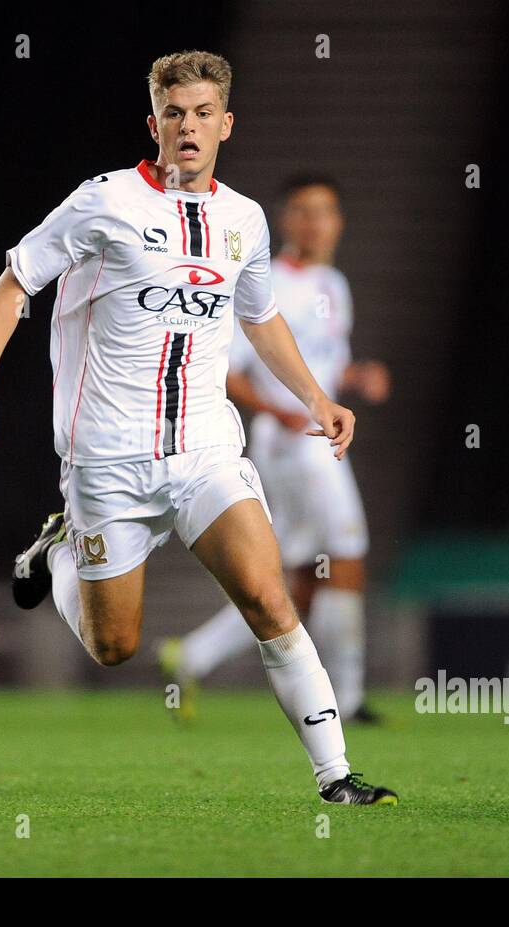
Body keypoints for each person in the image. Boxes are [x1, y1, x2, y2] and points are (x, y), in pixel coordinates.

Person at [0, 51, 397, 805]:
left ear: (226, 123)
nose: (187, 126)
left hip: (205, 452)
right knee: (114, 646)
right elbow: (16, 277)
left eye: (201, 113)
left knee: (268, 596)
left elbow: (260, 316)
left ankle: (335, 774)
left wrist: (318, 398)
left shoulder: (244, 220)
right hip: (106, 460)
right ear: (153, 122)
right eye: (173, 112)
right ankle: (57, 554)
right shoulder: (104, 202)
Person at [158, 174, 390, 723]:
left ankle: (190, 655)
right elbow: (232, 371)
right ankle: (350, 699)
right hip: (293, 445)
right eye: (304, 211)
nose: (316, 223)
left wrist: (355, 376)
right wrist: (280, 410)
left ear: (339, 222)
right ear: (286, 221)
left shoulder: (333, 283)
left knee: (300, 585)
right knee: (349, 555)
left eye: (326, 211)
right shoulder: (269, 284)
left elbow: (322, 362)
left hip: (315, 437)